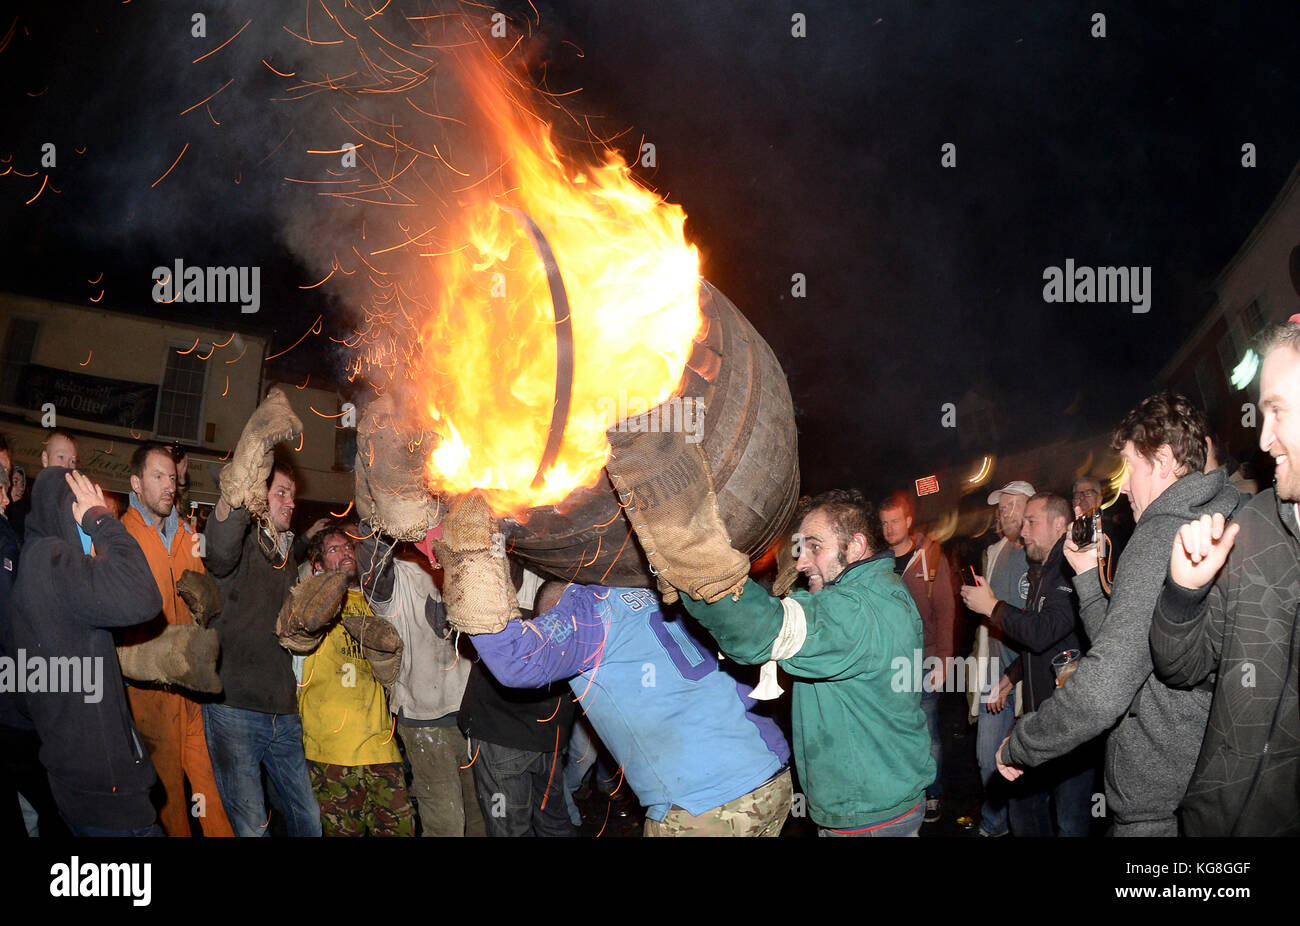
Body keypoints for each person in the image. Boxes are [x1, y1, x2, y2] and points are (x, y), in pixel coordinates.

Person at [600, 418, 934, 837]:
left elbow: (765, 634)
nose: (802, 561)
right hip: (874, 806)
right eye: (800, 548)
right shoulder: (874, 592)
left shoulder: (858, 609)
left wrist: (692, 551)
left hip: (869, 818)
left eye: (815, 547)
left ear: (857, 547)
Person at [996, 392, 1240, 836]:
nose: (1123, 486)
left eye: (1130, 466)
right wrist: (1089, 575)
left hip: (1160, 802)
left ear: (1164, 460)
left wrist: (1021, 744)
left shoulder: (1160, 532)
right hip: (1207, 787)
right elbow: (1129, 645)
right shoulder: (1216, 508)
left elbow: (1106, 686)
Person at [464, 578, 793, 836]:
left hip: (706, 805)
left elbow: (516, 660)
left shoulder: (584, 610)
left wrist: (471, 573)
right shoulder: (653, 593)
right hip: (771, 774)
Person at [1149, 320, 1300, 835]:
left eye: (1277, 410)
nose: (1264, 437)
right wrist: (1183, 596)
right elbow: (1182, 666)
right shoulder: (1254, 525)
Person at [7, 468, 163, 835]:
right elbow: (145, 598)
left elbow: (22, 695)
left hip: (73, 780)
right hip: (107, 794)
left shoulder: (31, 562)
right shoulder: (53, 561)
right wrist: (100, 520)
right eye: (81, 507)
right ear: (65, 511)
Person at [201, 389, 321, 837]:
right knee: (252, 828)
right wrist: (239, 485)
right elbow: (219, 547)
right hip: (234, 708)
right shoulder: (245, 541)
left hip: (282, 711)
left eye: (293, 494)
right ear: (261, 492)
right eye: (282, 492)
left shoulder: (287, 557)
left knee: (309, 821)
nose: (291, 502)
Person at [119, 442, 234, 837]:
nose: (169, 485)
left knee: (210, 790)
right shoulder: (120, 537)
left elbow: (205, 604)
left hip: (192, 684)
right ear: (136, 483)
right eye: (158, 476)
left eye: (172, 477)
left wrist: (207, 604)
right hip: (147, 690)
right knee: (168, 800)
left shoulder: (188, 537)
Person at [964, 493, 1091, 836]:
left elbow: (1044, 631)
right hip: (1043, 715)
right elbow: (1041, 644)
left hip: (1070, 719)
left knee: (1070, 819)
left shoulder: (1068, 571)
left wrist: (993, 607)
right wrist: (1011, 676)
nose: (1024, 532)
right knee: (1025, 807)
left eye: (1032, 522)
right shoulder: (1044, 570)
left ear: (1059, 524)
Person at [284, 524, 414, 837]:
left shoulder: (375, 601)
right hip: (329, 754)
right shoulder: (308, 601)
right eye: (334, 549)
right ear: (317, 564)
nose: (345, 553)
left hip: (381, 748)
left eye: (348, 547)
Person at [880, 490, 957, 822]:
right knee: (892, 728)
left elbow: (946, 611)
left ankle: (932, 792)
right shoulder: (878, 561)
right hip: (887, 663)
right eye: (883, 523)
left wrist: (944, 660)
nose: (889, 529)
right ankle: (902, 789)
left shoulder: (931, 557)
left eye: (895, 521)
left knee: (926, 730)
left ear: (908, 521)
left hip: (924, 660)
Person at [966, 480, 1032, 837]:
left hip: (1027, 673)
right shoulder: (994, 551)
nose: (1002, 513)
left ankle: (1014, 825)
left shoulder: (1039, 553)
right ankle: (994, 826)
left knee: (1023, 760)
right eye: (1000, 507)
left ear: (1028, 509)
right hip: (994, 670)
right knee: (987, 756)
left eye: (1010, 506)